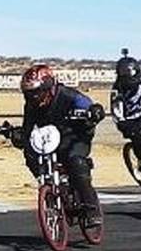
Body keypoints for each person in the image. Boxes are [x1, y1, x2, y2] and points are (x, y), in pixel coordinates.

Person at [9, 63, 105, 227]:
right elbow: (27, 128)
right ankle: (49, 187)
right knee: (30, 153)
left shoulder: (67, 95)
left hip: (75, 135)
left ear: (48, 87)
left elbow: (86, 104)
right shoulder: (30, 106)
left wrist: (94, 111)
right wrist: (17, 135)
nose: (33, 97)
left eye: (36, 92)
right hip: (51, 139)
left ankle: (91, 208)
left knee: (76, 162)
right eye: (29, 93)